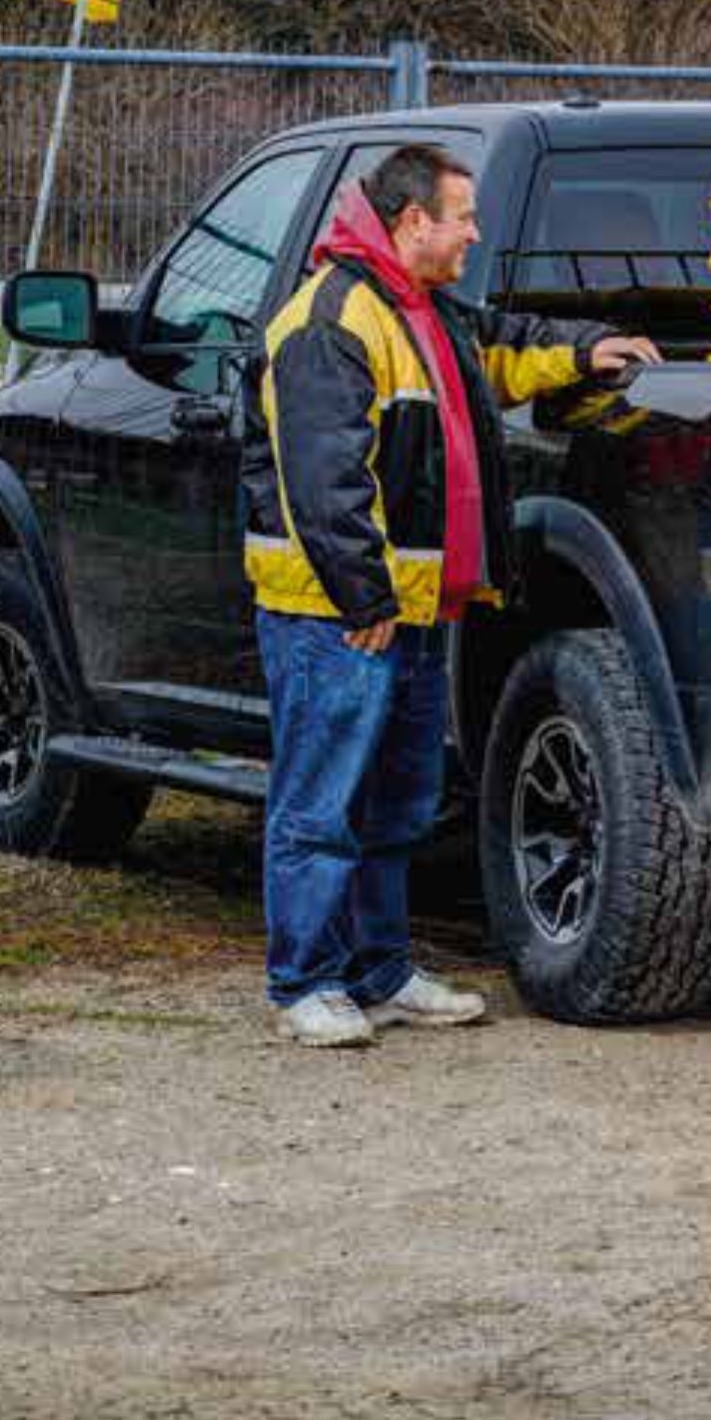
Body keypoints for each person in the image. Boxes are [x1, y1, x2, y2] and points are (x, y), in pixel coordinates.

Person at [242, 142, 656, 1047]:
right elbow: (325, 481)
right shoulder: (331, 322)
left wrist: (590, 351)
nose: (475, 231)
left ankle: (379, 972)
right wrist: (365, 600)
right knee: (322, 801)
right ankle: (303, 983)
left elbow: (503, 350)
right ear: (411, 221)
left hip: (415, 609)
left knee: (395, 802)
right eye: (461, 215)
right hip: (341, 616)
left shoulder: (424, 313)